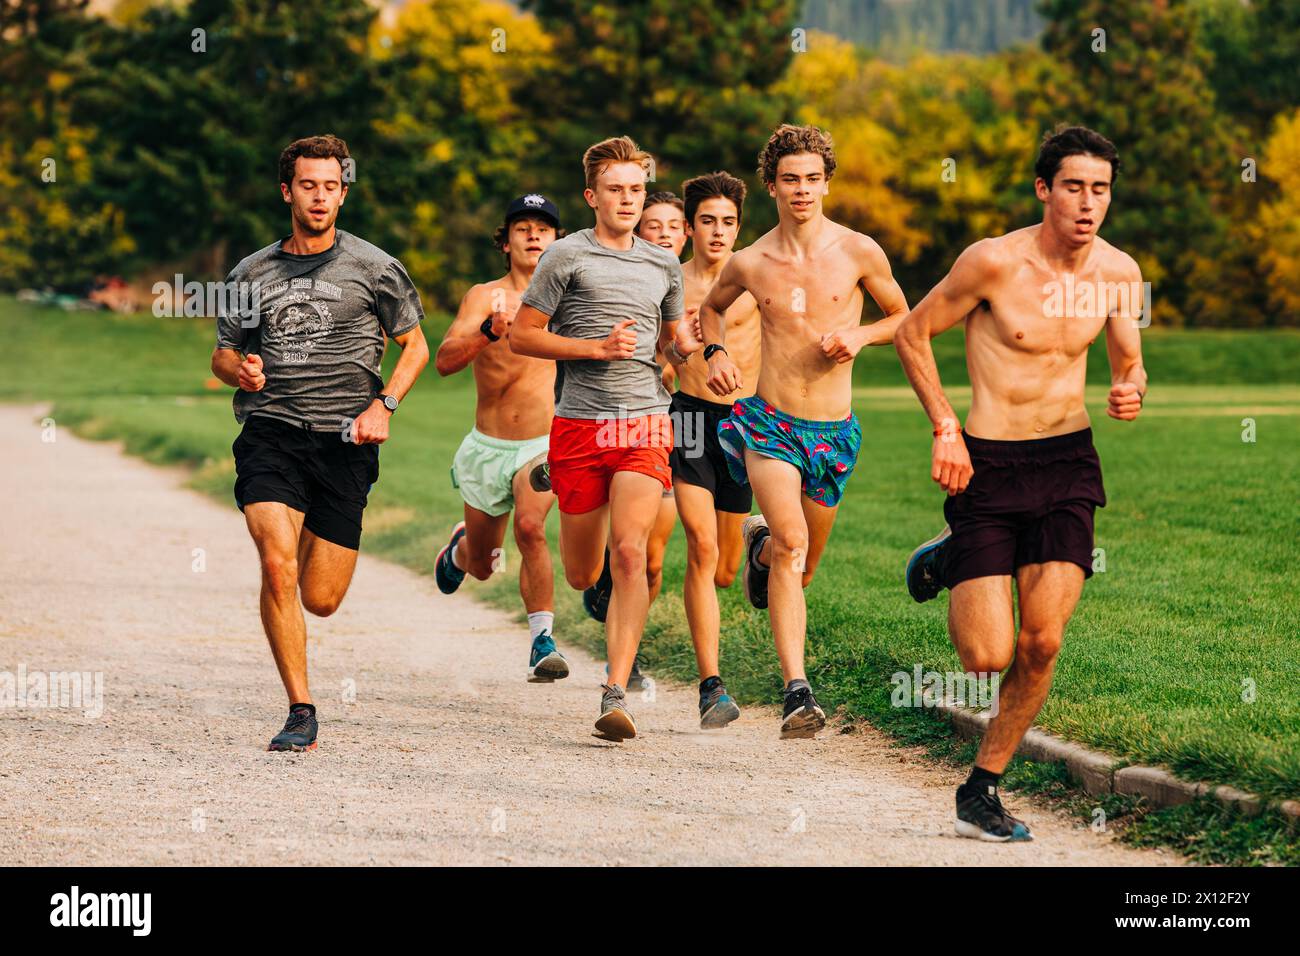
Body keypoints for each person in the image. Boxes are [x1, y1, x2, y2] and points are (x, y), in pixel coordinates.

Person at [895, 125, 1146, 842]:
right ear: (1044, 189)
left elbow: (1130, 359)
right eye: (1073, 187)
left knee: (1042, 642)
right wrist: (945, 426)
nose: (1088, 202)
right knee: (987, 656)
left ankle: (982, 788)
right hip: (988, 465)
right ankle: (948, 555)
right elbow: (914, 333)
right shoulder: (993, 264)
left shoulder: (1120, 273)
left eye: (1100, 189)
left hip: (1068, 464)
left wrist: (1131, 386)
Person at [211, 134, 429, 752]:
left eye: (331, 186)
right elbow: (222, 355)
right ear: (287, 190)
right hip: (272, 432)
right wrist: (241, 372)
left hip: (345, 441)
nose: (320, 196)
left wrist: (385, 405)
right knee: (277, 566)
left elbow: (416, 346)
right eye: (308, 185)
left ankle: (304, 541)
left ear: (343, 191)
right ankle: (300, 709)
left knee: (322, 598)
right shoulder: (249, 273)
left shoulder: (375, 267)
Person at [693, 124, 909, 739]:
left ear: (827, 183)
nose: (803, 190)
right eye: (791, 179)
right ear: (771, 186)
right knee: (794, 545)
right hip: (769, 425)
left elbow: (905, 316)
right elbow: (710, 307)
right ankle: (797, 693)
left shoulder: (860, 251)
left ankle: (759, 551)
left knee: (802, 561)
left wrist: (860, 336)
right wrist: (714, 354)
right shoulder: (751, 260)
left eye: (814, 179)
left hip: (834, 432)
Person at [510, 136, 692, 742]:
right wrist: (594, 349)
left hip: (643, 421)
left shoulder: (663, 264)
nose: (627, 200)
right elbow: (522, 335)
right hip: (580, 425)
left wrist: (703, 355)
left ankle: (615, 691)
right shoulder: (563, 257)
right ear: (592, 196)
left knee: (631, 551)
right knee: (585, 572)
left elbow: (672, 342)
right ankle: (556, 482)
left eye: (636, 189)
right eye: (615, 189)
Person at [432, 194, 569, 683]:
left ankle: (542, 641)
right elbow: (445, 362)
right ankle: (460, 549)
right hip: (487, 446)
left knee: (530, 528)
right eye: (523, 228)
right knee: (485, 566)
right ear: (506, 241)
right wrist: (489, 333)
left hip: (542, 443)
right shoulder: (483, 297)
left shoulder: (567, 297)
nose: (534, 236)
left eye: (544, 229)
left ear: (557, 241)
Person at [582, 189, 689, 693]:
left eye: (674, 225)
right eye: (653, 226)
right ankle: (624, 656)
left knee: (650, 555)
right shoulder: (620, 277)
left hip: (690, 426)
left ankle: (624, 653)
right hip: (622, 422)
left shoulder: (704, 282)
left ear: (686, 232)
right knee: (629, 553)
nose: (664, 234)